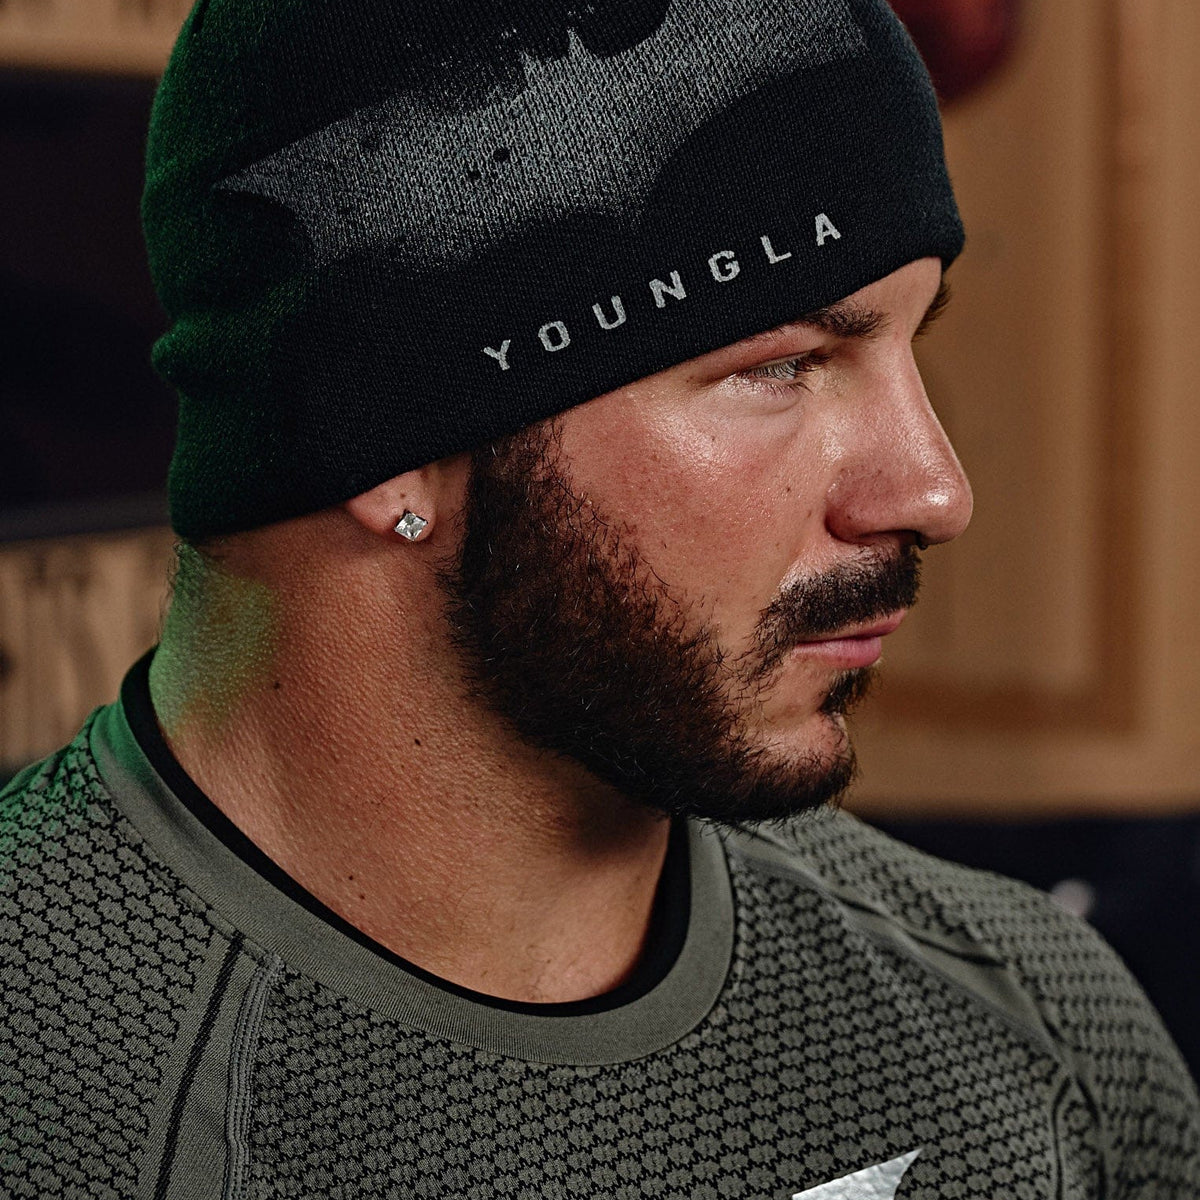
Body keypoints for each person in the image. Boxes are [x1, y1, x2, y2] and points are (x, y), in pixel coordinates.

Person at [3, 1, 1197, 1196]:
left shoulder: (1037, 1030)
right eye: (783, 366)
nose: (936, 492)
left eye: (908, 343)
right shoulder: (47, 1085)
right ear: (385, 445)